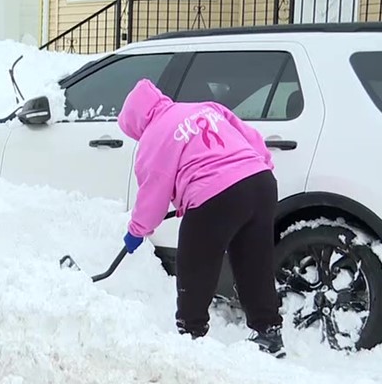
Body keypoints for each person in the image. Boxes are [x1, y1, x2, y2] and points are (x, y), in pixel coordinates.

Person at [117, 78, 285, 358]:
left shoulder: (153, 138)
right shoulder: (204, 107)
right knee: (254, 263)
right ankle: (269, 333)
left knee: (195, 264)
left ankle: (190, 334)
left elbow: (153, 195)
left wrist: (137, 231)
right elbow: (250, 136)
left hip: (217, 194)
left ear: (136, 123)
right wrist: (259, 167)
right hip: (260, 182)